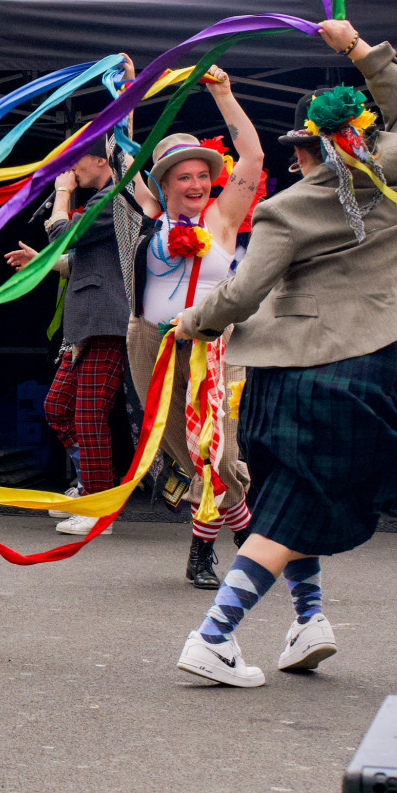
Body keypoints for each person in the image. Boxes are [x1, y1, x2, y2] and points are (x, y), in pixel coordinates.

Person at [173, 18, 397, 688]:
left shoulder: (288, 210)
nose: (292, 159)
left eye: (297, 148)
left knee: (290, 502)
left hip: (295, 373)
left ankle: (226, 633)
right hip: (362, 369)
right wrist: (354, 47)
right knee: (295, 501)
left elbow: (240, 296)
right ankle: (287, 623)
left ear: (310, 150)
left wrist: (189, 324)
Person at [126, 67, 264, 589]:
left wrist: (224, 94)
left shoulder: (225, 217)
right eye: (183, 177)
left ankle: (206, 547)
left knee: (217, 449)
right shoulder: (146, 214)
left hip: (215, 344)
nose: (197, 184)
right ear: (161, 184)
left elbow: (251, 158)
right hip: (150, 341)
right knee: (176, 444)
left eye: (202, 175)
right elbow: (122, 150)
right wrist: (130, 91)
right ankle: (244, 527)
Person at [3, 62, 140, 538]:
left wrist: (60, 197)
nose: (71, 170)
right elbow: (78, 257)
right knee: (59, 407)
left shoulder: (117, 199)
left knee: (87, 412)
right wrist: (44, 262)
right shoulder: (100, 204)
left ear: (102, 159)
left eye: (76, 162)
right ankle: (90, 486)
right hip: (85, 320)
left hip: (106, 320)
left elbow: (66, 233)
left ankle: (98, 502)